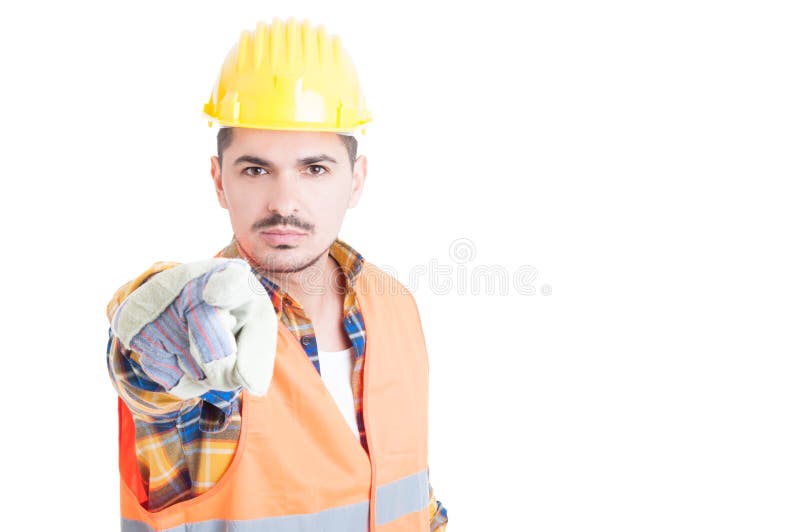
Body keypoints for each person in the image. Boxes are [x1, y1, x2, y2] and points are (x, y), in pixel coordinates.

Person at [105, 17, 448, 532]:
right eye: (255, 169)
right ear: (219, 181)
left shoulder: (395, 305)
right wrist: (149, 339)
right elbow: (146, 371)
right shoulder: (208, 326)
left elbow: (412, 493)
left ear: (355, 180)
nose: (284, 202)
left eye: (314, 169)